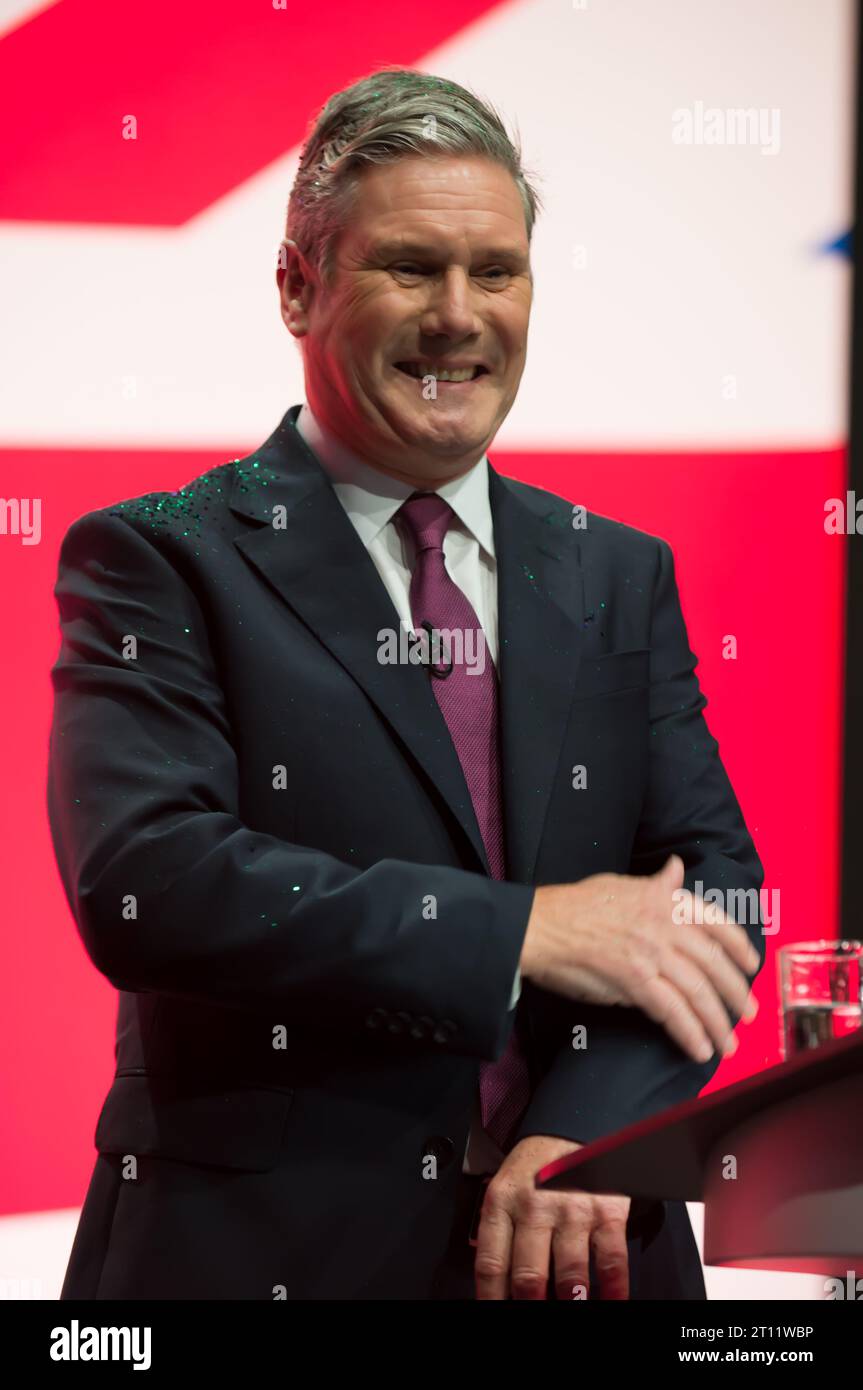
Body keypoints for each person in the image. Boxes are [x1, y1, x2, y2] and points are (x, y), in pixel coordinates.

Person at [49, 67, 763, 1301]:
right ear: (295, 287)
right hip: (263, 1261)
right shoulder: (160, 553)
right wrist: (523, 931)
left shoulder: (613, 568)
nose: (456, 315)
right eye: (409, 267)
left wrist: (585, 1137)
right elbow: (146, 883)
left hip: (586, 1256)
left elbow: (715, 892)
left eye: (494, 271)